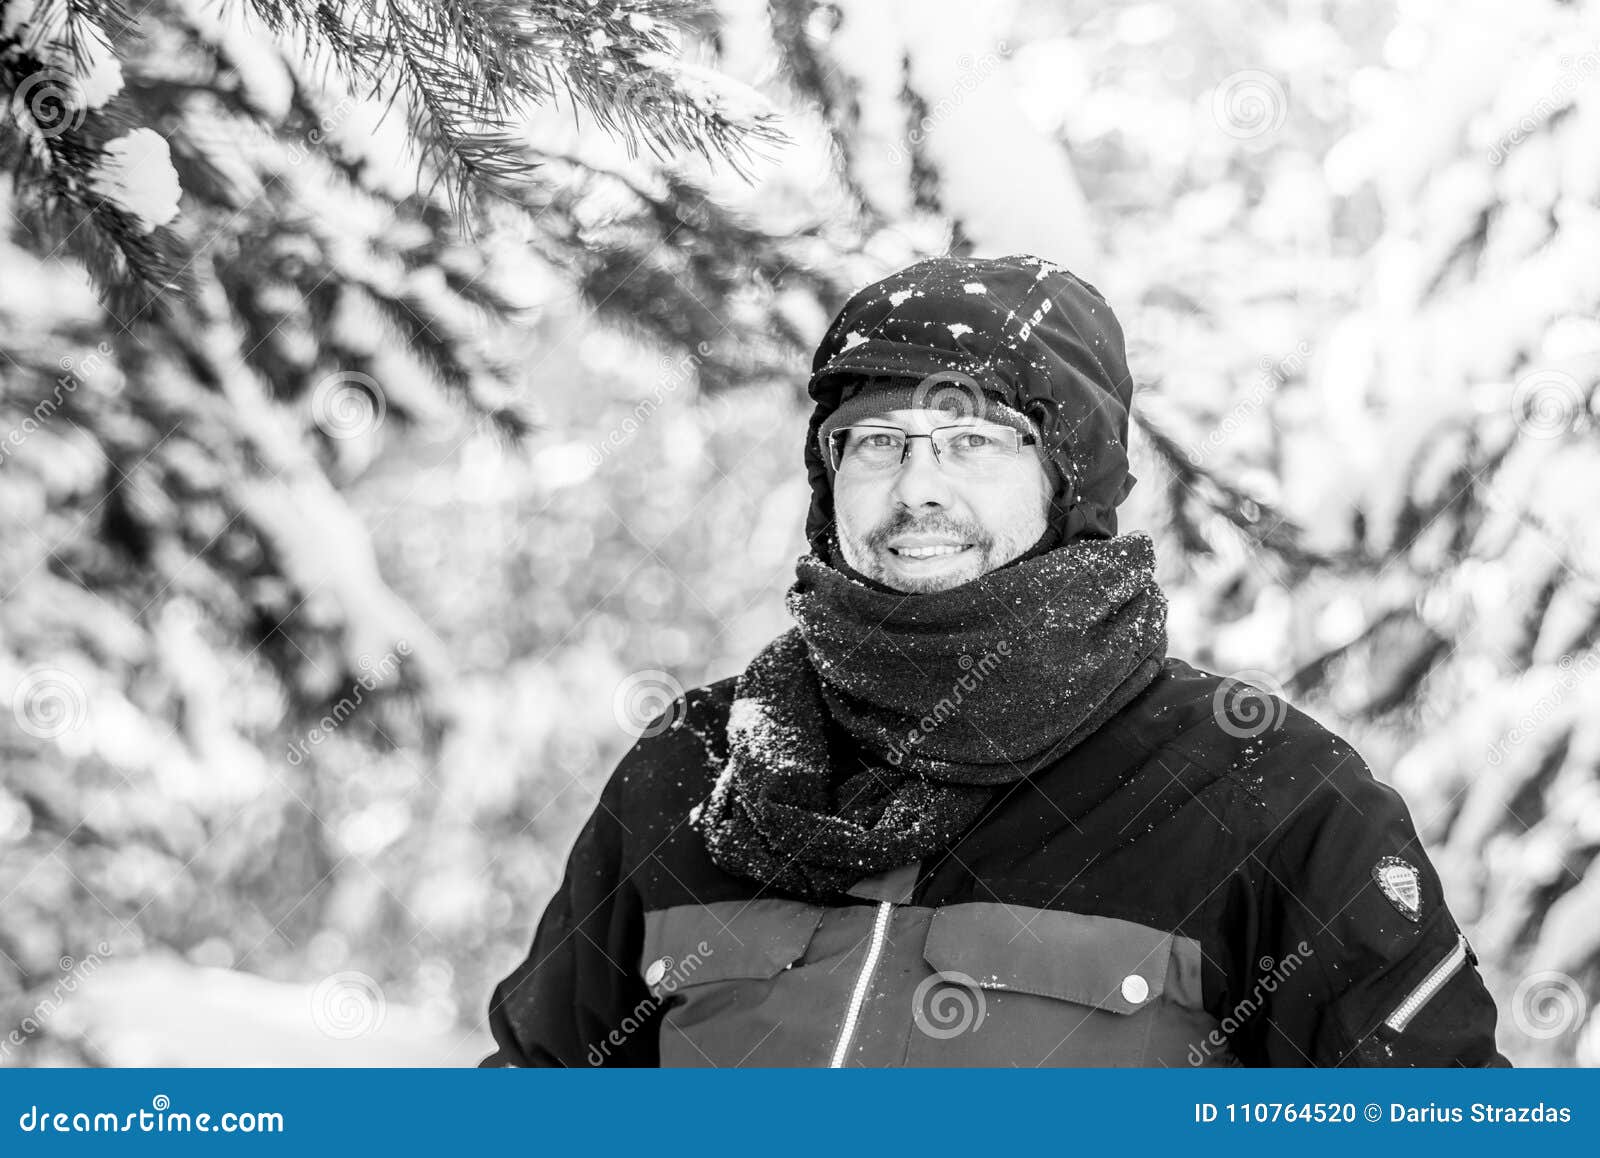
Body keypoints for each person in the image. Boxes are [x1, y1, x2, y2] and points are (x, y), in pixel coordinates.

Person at [480, 253, 1510, 1067]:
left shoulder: (1267, 791)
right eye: (874, 443)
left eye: (971, 441)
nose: (915, 488)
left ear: (1072, 474)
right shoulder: (696, 762)